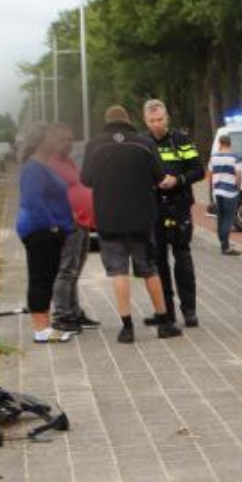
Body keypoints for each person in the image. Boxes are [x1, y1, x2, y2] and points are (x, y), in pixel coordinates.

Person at [82, 105, 180, 343]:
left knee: (118, 272)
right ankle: (164, 322)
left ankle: (127, 328)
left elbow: (85, 179)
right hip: (141, 220)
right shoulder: (144, 144)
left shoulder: (94, 145)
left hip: (109, 220)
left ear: (107, 121)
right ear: (128, 120)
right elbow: (159, 177)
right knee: (149, 270)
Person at [144, 100, 205, 328]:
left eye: (160, 120)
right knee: (158, 261)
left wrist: (178, 180)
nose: (156, 125)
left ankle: (189, 310)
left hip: (179, 206)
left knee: (183, 259)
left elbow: (198, 170)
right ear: (145, 121)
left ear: (167, 118)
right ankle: (165, 312)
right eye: (152, 121)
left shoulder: (181, 140)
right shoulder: (143, 143)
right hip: (153, 208)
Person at [16, 124, 76, 344]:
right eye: (52, 136)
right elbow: (33, 201)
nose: (57, 139)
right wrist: (52, 226)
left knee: (47, 277)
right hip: (40, 232)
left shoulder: (43, 166)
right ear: (42, 141)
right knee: (40, 278)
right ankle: (40, 329)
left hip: (48, 231)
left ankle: (47, 326)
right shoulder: (34, 168)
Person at [44, 124, 99, 332]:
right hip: (69, 224)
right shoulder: (50, 164)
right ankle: (61, 315)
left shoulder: (68, 162)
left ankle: (74, 312)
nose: (67, 143)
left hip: (83, 223)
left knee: (75, 271)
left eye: (69, 139)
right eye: (62, 140)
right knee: (66, 270)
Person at [209, 132, 242, 255]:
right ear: (230, 143)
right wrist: (238, 187)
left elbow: (211, 173)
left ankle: (223, 242)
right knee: (228, 219)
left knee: (221, 217)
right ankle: (225, 247)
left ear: (220, 143)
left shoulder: (213, 157)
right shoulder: (235, 157)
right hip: (230, 192)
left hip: (218, 190)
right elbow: (238, 174)